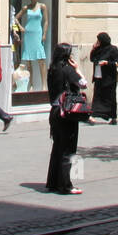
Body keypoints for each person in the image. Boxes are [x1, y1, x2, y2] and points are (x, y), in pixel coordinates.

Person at [45, 42, 84, 195]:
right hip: (68, 112)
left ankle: (53, 182)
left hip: (54, 111)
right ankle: (67, 185)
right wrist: (77, 69)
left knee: (57, 147)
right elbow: (83, 83)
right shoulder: (68, 70)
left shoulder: (52, 70)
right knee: (69, 148)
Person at [16, 0, 49, 91]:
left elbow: (46, 21)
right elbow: (16, 17)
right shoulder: (26, 7)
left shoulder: (42, 6)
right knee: (29, 61)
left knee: (41, 60)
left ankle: (44, 85)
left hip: (38, 34)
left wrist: (44, 34)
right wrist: (20, 27)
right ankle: (31, 85)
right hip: (29, 34)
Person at [89, 32, 118, 124]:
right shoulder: (98, 49)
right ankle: (93, 115)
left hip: (109, 79)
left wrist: (106, 63)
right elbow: (91, 59)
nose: (98, 42)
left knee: (110, 98)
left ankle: (113, 117)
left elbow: (117, 63)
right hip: (99, 76)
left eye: (99, 40)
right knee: (97, 96)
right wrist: (93, 48)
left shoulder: (113, 49)